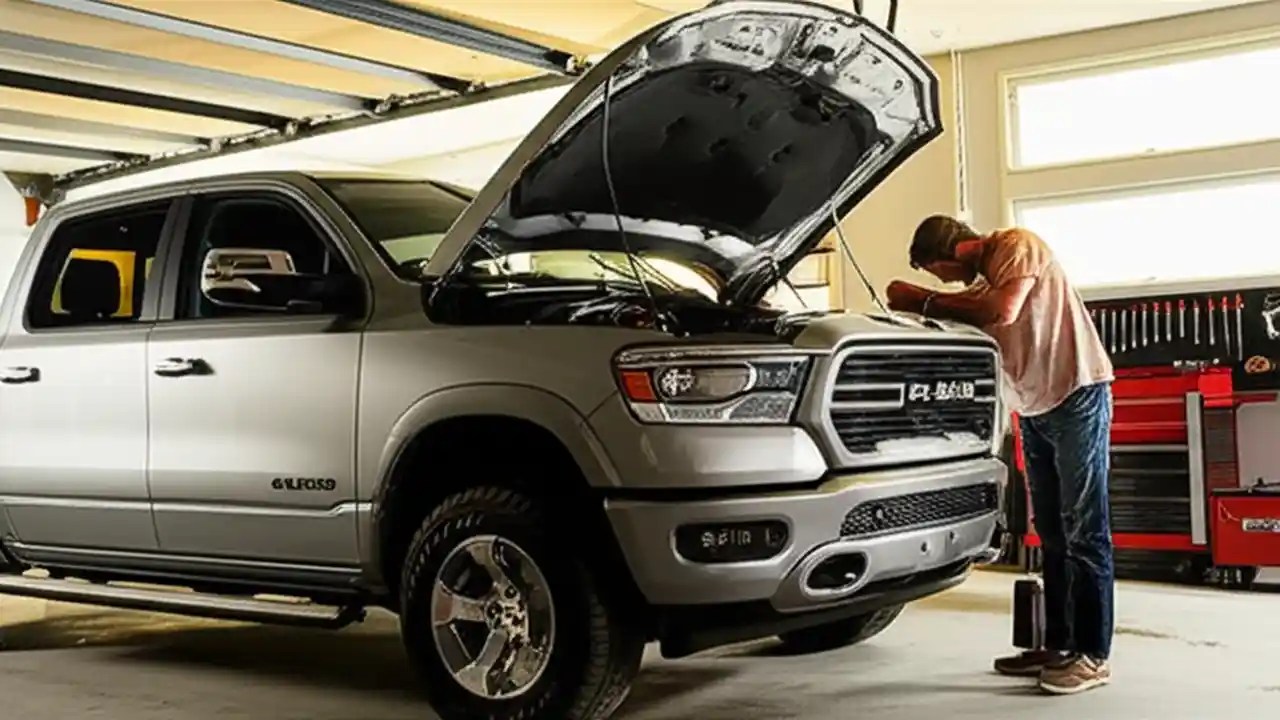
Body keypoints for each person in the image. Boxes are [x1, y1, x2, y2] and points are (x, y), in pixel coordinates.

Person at [885, 215, 1116, 696]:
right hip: (1033, 410)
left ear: (950, 255)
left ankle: (1093, 656)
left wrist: (921, 298)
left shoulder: (1016, 245)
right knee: (1051, 534)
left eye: (937, 273)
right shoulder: (979, 288)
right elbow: (969, 318)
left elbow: (1004, 310)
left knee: (1084, 529)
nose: (941, 283)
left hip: (1077, 394)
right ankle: (1058, 646)